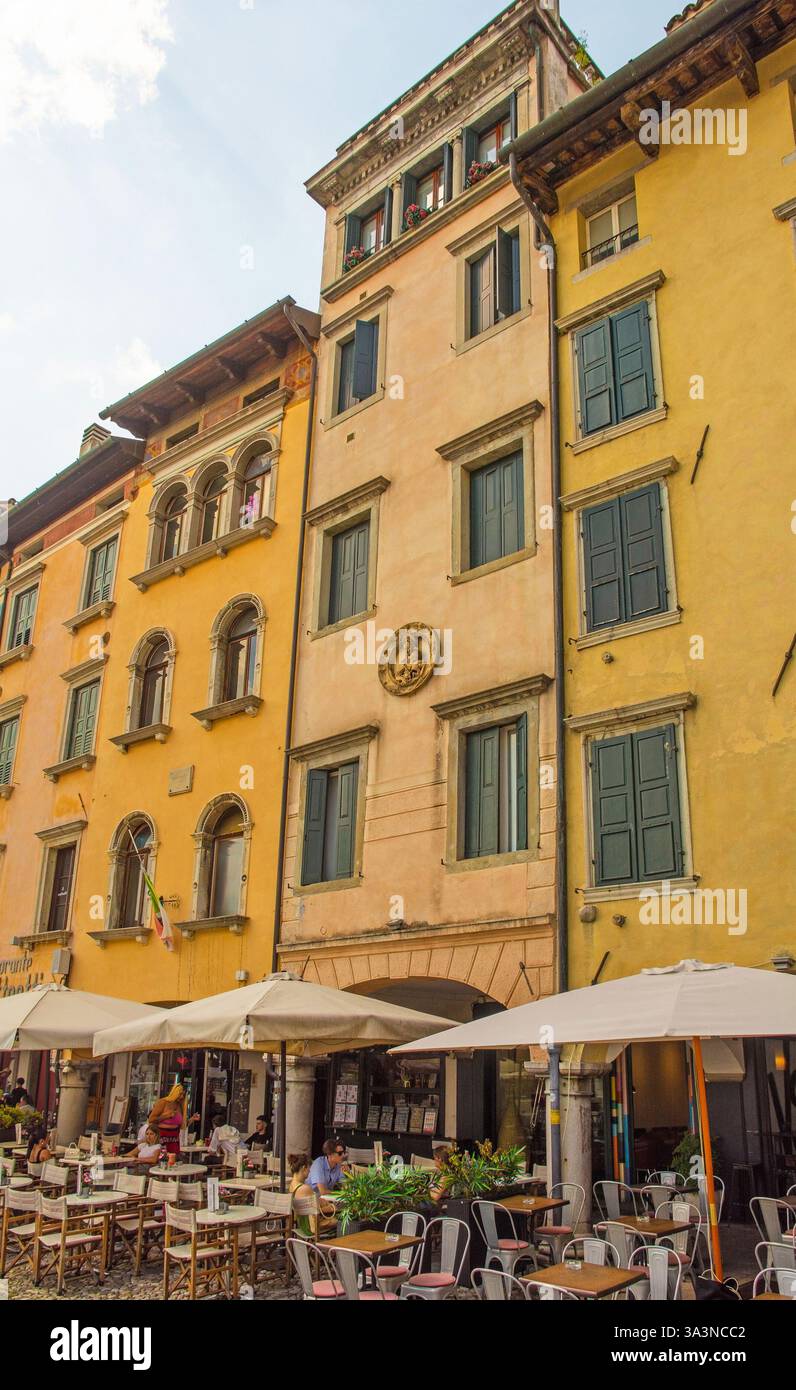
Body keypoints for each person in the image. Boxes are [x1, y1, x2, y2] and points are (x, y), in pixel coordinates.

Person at [289, 1153, 336, 1235]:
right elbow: (318, 1211)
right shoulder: (305, 1188)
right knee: (342, 1221)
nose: (310, 1171)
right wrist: (332, 1207)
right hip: (312, 1227)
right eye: (309, 1169)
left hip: (302, 1225)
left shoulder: (292, 1185)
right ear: (304, 1168)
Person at [148, 1084, 200, 1156]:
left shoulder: (180, 1106)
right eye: (180, 1094)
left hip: (174, 1139)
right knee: (162, 1159)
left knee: (173, 1160)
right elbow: (151, 1119)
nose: (181, 1097)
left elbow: (182, 1125)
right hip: (162, 1137)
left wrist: (192, 1119)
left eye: (183, 1095)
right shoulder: (163, 1102)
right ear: (175, 1093)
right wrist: (165, 1116)